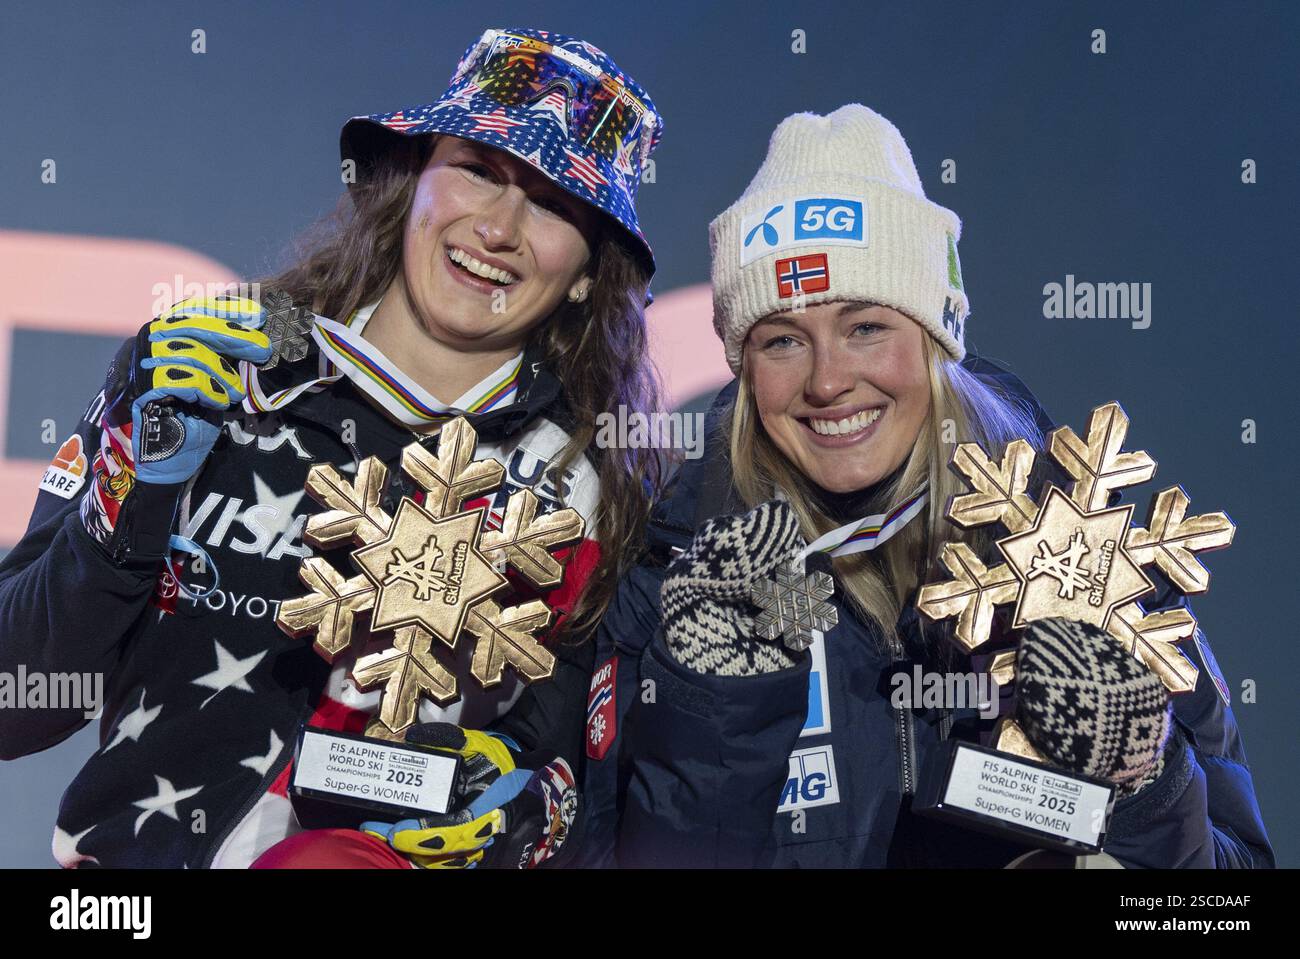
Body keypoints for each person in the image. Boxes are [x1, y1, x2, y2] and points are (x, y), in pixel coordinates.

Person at [0, 26, 665, 869]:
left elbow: (568, 783)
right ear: (411, 177)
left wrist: (524, 821)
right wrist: (123, 505)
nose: (498, 226)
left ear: (587, 270)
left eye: (551, 204)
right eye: (477, 170)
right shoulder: (215, 358)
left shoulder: (586, 480)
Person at [579, 104, 1273, 868]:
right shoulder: (672, 574)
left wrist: (1143, 777)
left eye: (866, 326)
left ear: (937, 336)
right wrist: (710, 707)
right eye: (782, 340)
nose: (829, 379)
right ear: (744, 370)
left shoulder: (1081, 560)